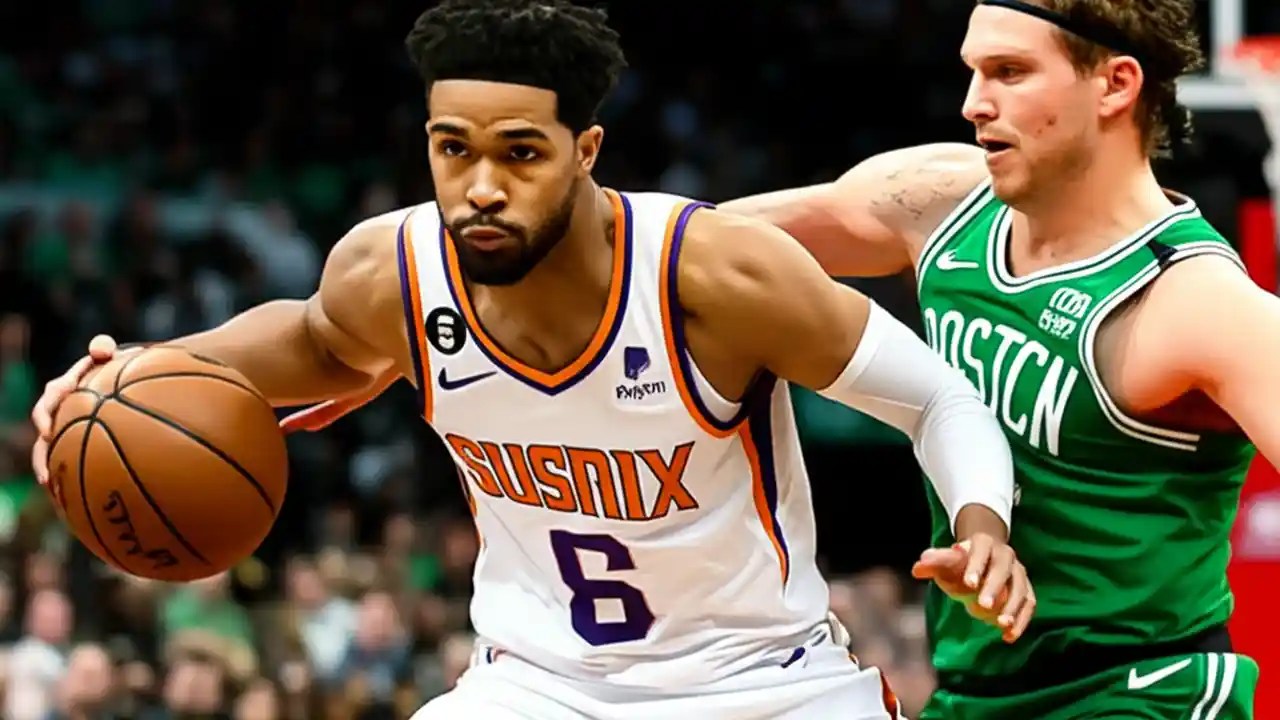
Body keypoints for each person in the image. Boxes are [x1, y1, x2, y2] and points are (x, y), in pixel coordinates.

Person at [30, 2, 1035, 718]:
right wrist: (119, 376)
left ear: (585, 150)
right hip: (538, 685)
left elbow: (935, 399)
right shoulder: (394, 271)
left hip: (766, 685)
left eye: (517, 152)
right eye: (450, 149)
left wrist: (982, 522)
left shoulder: (711, 276)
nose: (477, 186)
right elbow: (309, 342)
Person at [721, 0, 1274, 717]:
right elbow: (695, 246)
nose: (974, 104)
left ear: (1116, 84)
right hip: (972, 691)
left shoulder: (1194, 298)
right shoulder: (942, 202)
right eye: (974, 72)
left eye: (1009, 72)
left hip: (1138, 692)